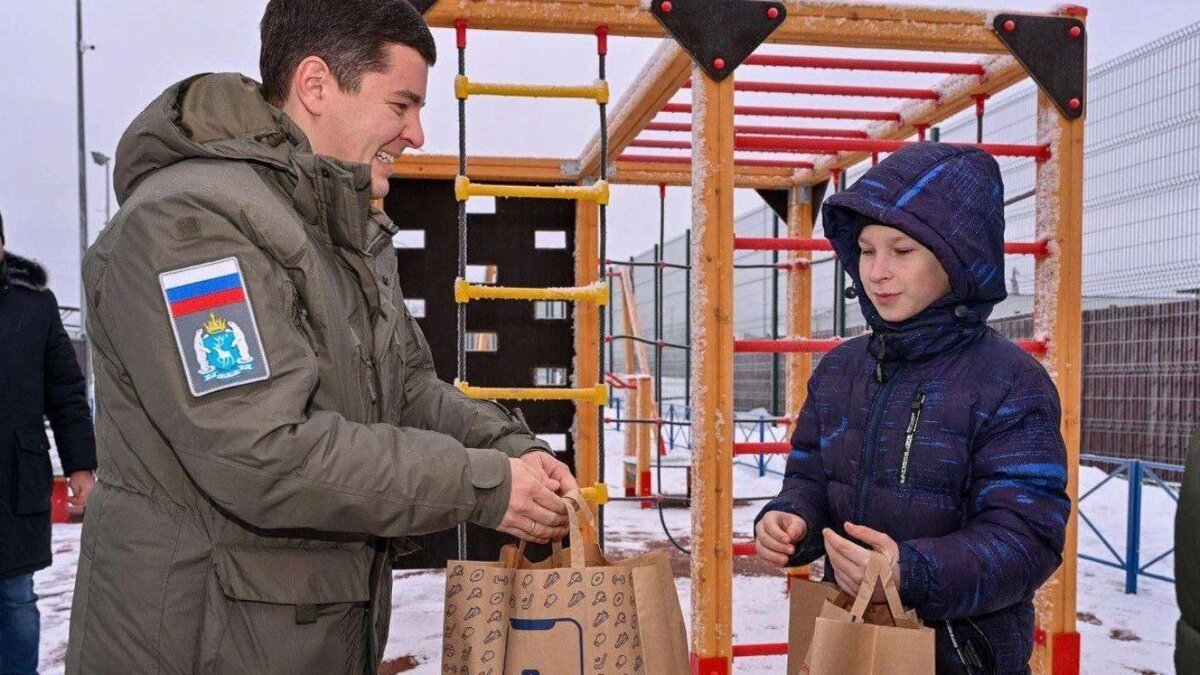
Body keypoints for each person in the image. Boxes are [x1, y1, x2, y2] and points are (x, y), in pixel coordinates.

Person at [65, 1, 577, 672]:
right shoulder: (188, 226)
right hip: (203, 644)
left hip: (298, 634)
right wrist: (485, 484)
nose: (416, 132)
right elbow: (263, 451)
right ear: (315, 86)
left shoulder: (344, 230)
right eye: (401, 104)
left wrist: (508, 447)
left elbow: (408, 388)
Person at [754, 143, 1070, 674]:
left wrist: (914, 572)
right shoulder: (838, 371)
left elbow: (1028, 537)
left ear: (958, 257)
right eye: (866, 249)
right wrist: (792, 520)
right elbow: (809, 476)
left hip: (964, 653)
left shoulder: (1011, 382)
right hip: (850, 643)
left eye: (902, 251)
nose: (876, 272)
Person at [0, 209, 97, 675]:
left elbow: (66, 393)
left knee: (15, 595)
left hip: (14, 478)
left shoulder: (34, 306)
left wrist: (80, 467)